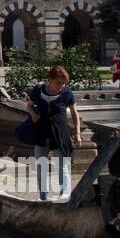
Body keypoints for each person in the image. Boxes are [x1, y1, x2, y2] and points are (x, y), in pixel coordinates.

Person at [26, 65, 82, 201]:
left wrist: (77, 133)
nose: (61, 86)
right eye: (58, 83)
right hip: (42, 130)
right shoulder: (38, 91)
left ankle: (65, 194)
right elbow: (28, 105)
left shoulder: (67, 94)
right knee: (41, 164)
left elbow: (75, 114)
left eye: (63, 84)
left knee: (61, 165)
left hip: (60, 132)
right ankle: (44, 196)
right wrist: (33, 113)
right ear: (49, 80)